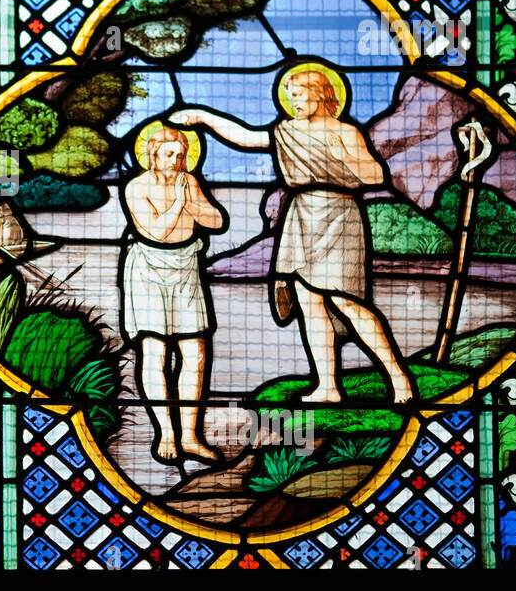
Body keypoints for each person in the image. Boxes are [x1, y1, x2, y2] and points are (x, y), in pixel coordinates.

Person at [171, 65, 416, 405]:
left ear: (319, 92)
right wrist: (204, 118)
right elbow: (246, 137)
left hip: (339, 215)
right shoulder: (287, 130)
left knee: (348, 301)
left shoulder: (346, 132)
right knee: (309, 303)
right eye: (290, 97)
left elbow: (375, 176)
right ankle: (327, 386)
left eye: (299, 95)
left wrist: (344, 154)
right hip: (300, 216)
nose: (293, 103)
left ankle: (398, 377)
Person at [121, 125, 226, 463]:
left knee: (195, 353)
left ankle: (191, 436)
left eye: (181, 155)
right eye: (169, 154)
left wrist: (192, 203)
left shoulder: (189, 182)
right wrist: (182, 202)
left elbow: (217, 220)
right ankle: (166, 432)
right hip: (148, 270)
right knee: (155, 353)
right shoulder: (137, 187)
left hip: (186, 266)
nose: (176, 160)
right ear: (152, 155)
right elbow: (157, 230)